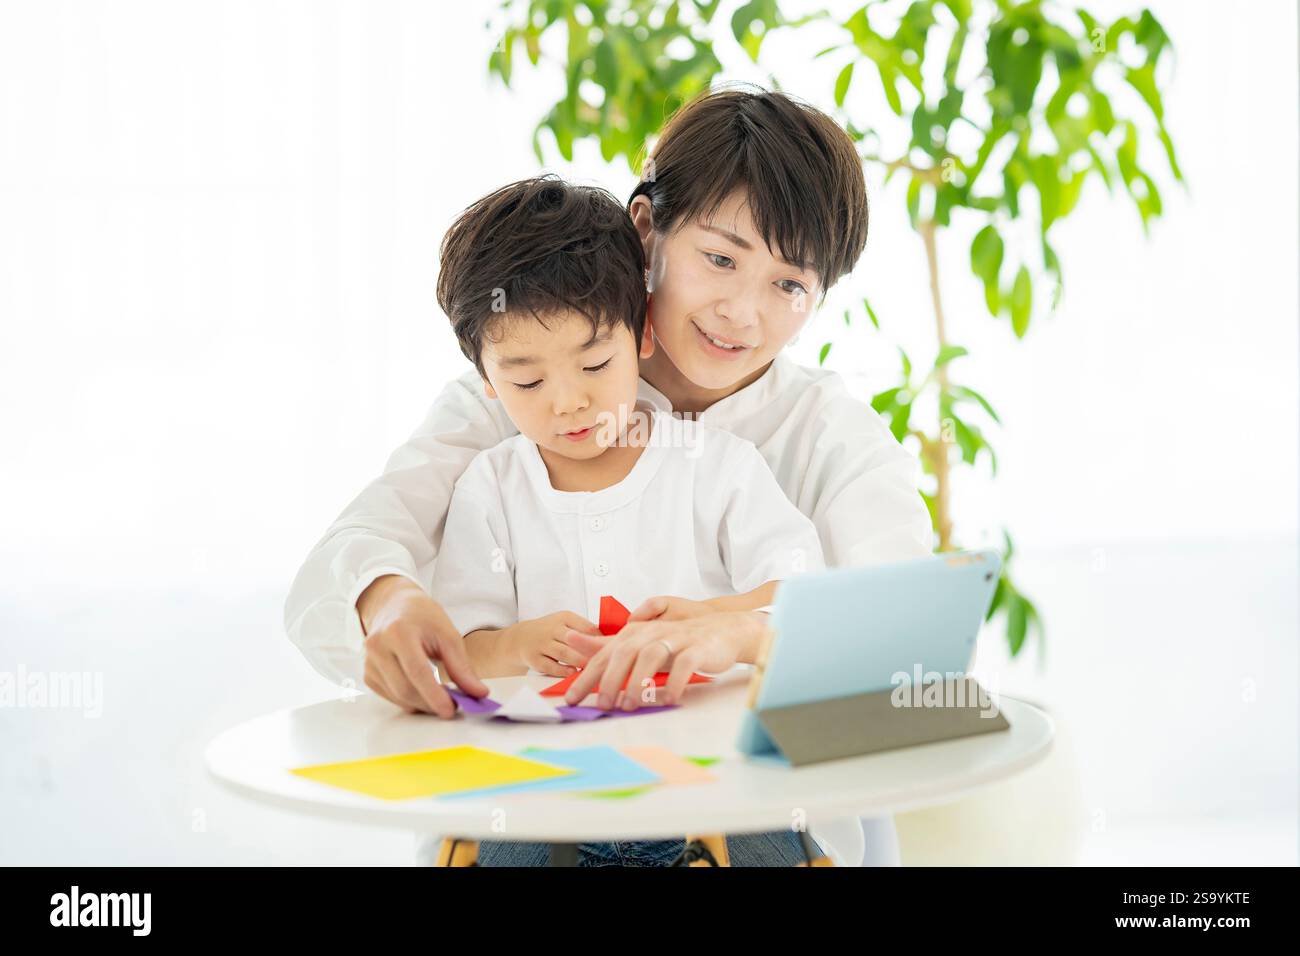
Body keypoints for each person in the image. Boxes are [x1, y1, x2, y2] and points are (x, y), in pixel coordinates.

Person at [284, 85, 932, 866]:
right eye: (720, 258)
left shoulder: (828, 433)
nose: (742, 312)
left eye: (788, 284)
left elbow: (914, 650)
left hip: (748, 819)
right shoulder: (514, 401)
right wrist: (386, 598)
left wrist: (746, 628)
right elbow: (344, 560)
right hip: (534, 812)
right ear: (647, 226)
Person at [428, 175, 826, 866]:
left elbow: (809, 606)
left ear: (642, 333)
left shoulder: (714, 467)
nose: (569, 403)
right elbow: (462, 654)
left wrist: (717, 625)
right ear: (485, 378)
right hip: (550, 803)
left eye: (594, 363)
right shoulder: (489, 489)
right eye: (527, 381)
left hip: (712, 794)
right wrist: (518, 644)